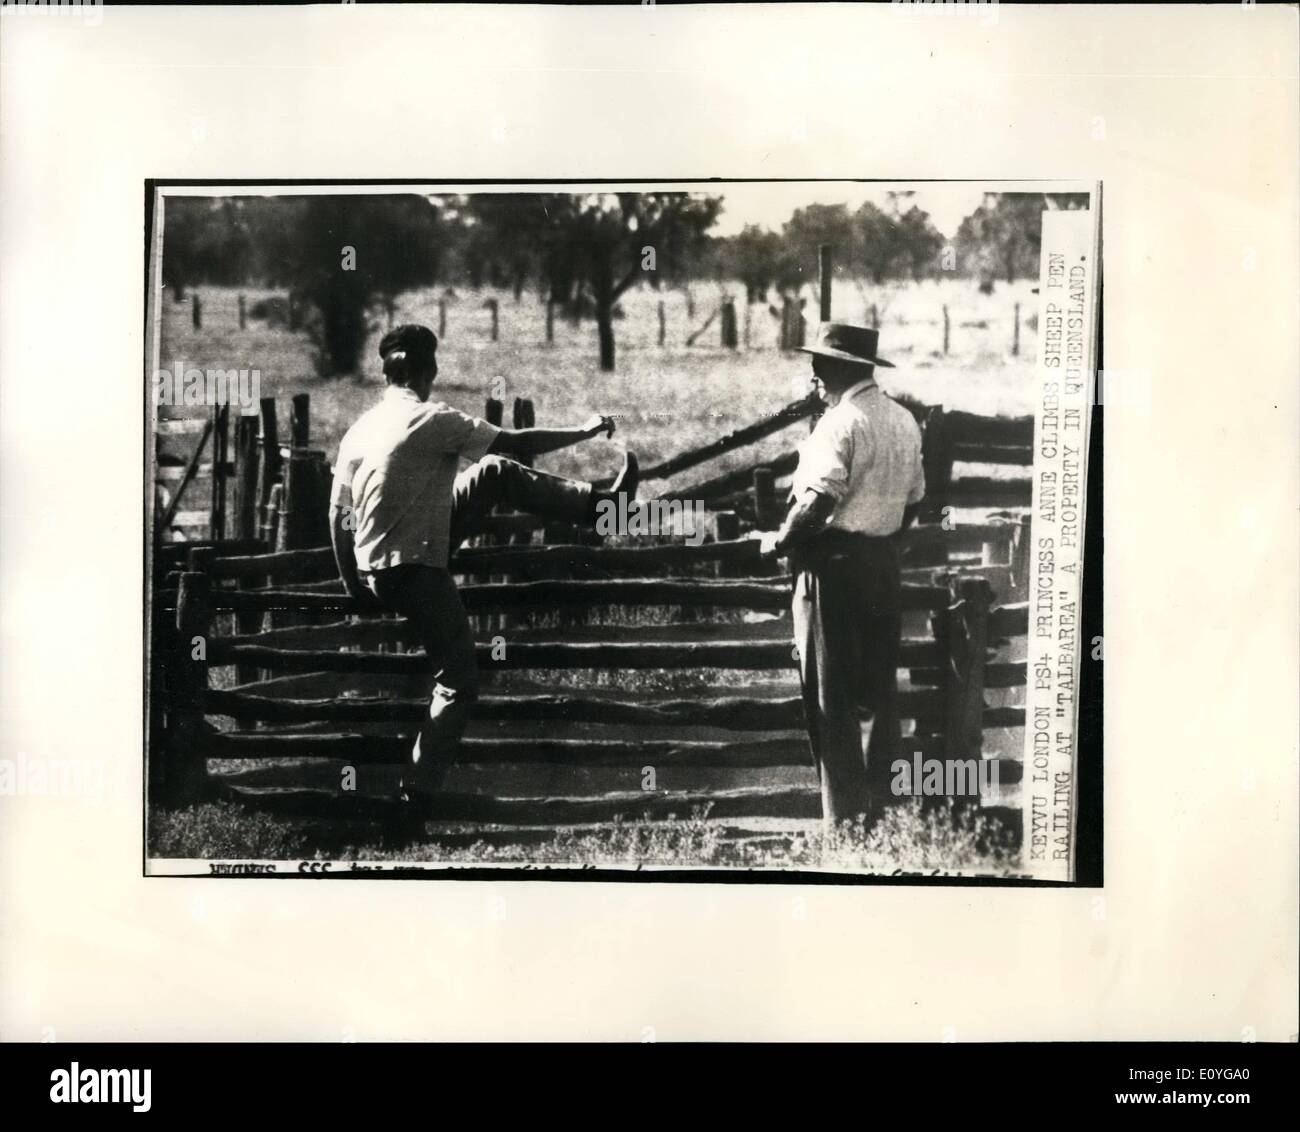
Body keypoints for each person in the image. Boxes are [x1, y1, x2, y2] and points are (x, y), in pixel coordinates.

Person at [328, 324, 638, 822]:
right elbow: (517, 441)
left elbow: (337, 514)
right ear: (429, 371)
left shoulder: (358, 430)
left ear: (387, 374)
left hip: (376, 565)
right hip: (412, 568)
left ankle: (604, 510)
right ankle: (414, 801)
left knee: (493, 473)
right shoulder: (431, 418)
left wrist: (354, 585)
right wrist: (584, 430)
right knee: (458, 680)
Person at [756, 323, 925, 827]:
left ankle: (846, 824)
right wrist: (882, 542)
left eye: (821, 363)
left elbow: (817, 501)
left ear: (843, 368)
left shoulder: (839, 422)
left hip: (832, 570)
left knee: (832, 699)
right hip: (880, 568)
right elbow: (915, 501)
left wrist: (779, 541)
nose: (813, 372)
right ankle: (883, 818)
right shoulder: (904, 420)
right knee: (875, 694)